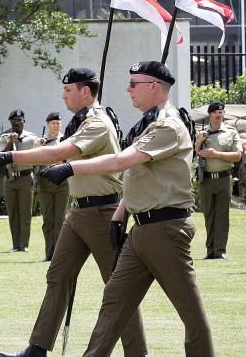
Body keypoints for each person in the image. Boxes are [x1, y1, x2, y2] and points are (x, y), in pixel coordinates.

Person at [41, 61, 215, 357]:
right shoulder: (151, 122)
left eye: (134, 84)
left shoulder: (168, 125)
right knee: (114, 304)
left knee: (189, 312)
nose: (128, 89)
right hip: (141, 230)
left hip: (166, 229)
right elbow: (138, 175)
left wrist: (69, 168)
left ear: (154, 87)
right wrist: (122, 213)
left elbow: (123, 162)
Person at [0, 68, 147, 357]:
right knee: (57, 276)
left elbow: (58, 153)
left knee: (118, 289)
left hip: (103, 212)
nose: (63, 95)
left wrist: (10, 156)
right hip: (78, 212)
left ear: (85, 91)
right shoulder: (81, 121)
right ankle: (37, 349)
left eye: (68, 90)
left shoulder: (97, 123)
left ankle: (137, 353)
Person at [194, 101, 242, 260]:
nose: (218, 115)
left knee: (222, 215)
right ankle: (210, 251)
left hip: (223, 178)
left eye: (221, 112)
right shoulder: (201, 132)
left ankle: (220, 251)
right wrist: (199, 141)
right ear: (210, 114)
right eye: (215, 112)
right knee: (208, 215)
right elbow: (195, 154)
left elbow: (237, 155)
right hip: (206, 179)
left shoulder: (231, 131)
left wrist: (216, 154)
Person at [0, 109, 38, 252]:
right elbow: (1, 156)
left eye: (20, 120)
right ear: (11, 122)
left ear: (24, 121)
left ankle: (24, 244)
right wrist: (11, 142)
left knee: (25, 212)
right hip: (9, 177)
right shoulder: (4, 137)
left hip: (25, 176)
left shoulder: (31, 138)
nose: (17, 122)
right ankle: (15, 244)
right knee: (13, 212)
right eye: (14, 120)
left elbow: (38, 157)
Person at [34, 112, 69, 261]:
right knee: (48, 220)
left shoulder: (65, 140)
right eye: (53, 123)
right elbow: (33, 160)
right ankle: (49, 253)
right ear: (47, 124)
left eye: (58, 123)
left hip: (62, 183)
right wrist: (38, 147)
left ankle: (58, 254)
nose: (56, 126)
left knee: (60, 220)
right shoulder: (40, 141)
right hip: (45, 183)